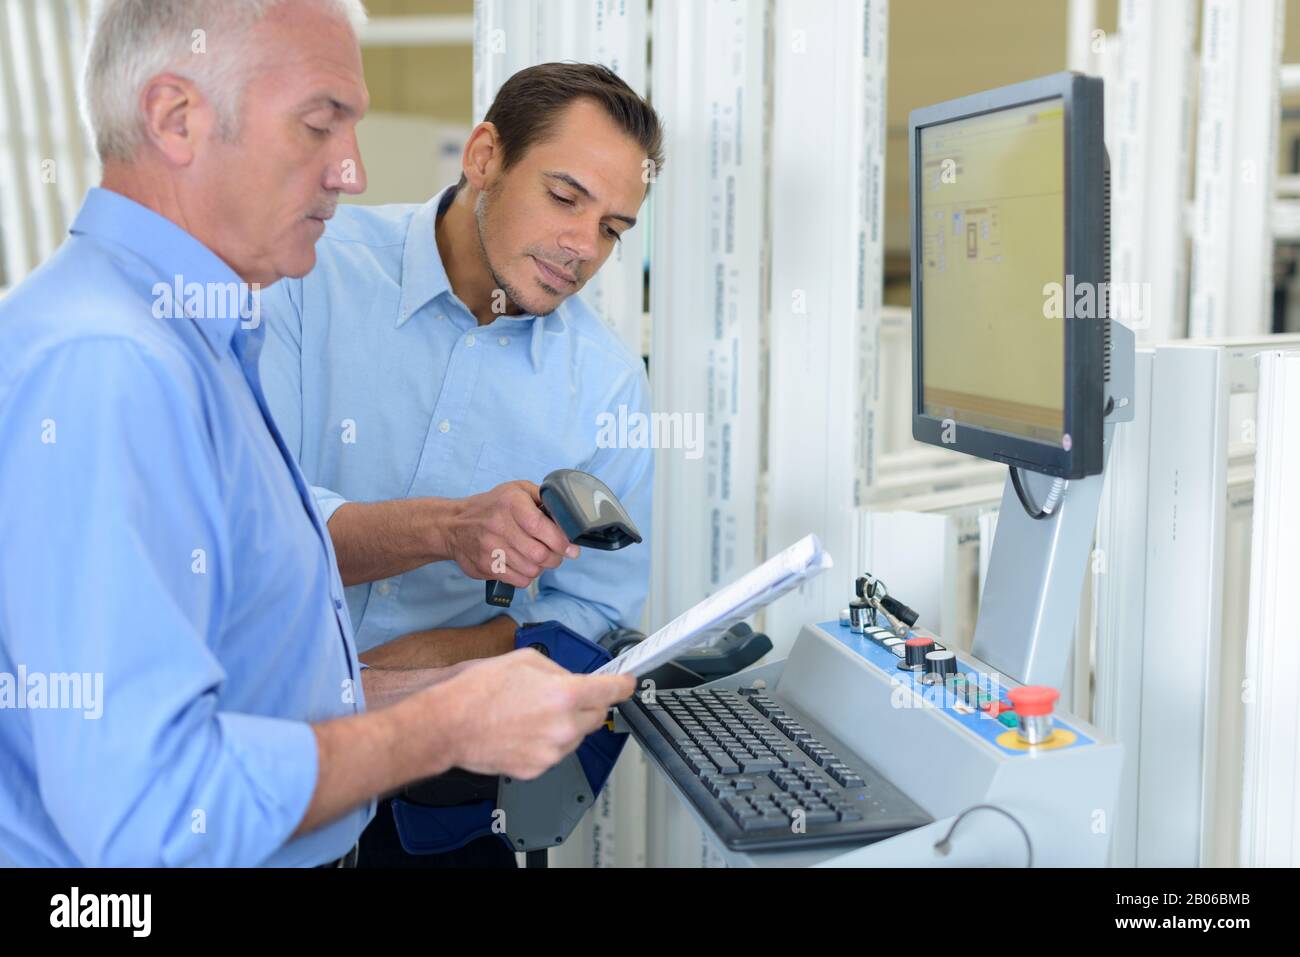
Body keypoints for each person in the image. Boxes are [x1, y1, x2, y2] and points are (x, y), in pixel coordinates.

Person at [0, 0, 632, 868]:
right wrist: (443, 721)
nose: (353, 172)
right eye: (318, 125)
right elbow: (150, 804)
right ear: (176, 117)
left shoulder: (199, 336)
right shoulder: (112, 363)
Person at [259, 61, 662, 867]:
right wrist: (451, 529)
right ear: (485, 156)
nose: (582, 248)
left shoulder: (607, 383)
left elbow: (586, 620)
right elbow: (249, 527)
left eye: (613, 228)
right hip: (260, 754)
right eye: (564, 197)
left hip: (439, 801)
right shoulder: (307, 275)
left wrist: (383, 675)